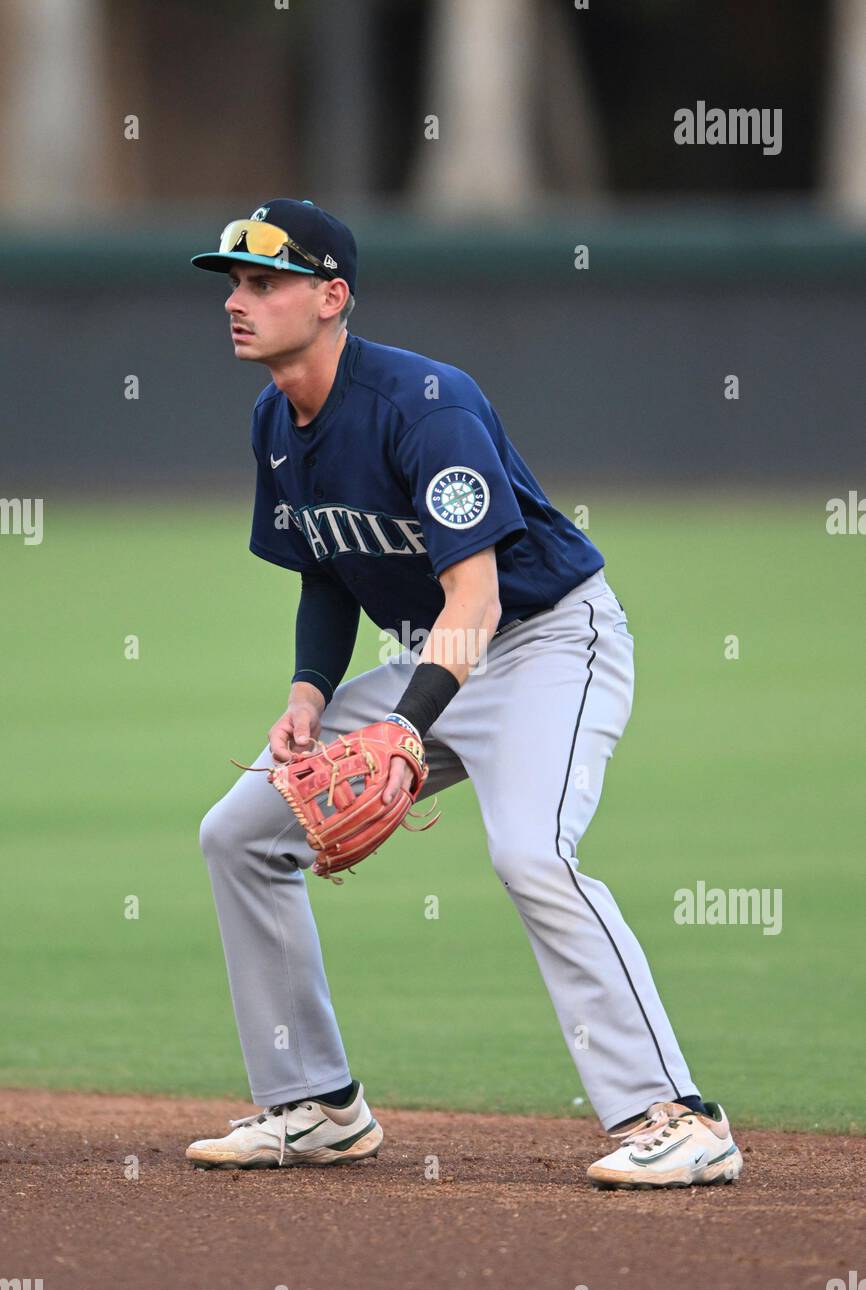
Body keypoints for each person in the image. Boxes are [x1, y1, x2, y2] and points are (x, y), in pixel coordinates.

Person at [186, 198, 743, 1189]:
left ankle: (677, 1115)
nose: (238, 300)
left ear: (331, 297)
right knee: (239, 831)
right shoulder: (275, 419)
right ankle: (315, 1104)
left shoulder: (425, 404)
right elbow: (327, 566)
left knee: (529, 850)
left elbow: (476, 596)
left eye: (262, 282)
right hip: (432, 655)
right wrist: (310, 690)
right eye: (232, 281)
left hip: (544, 645)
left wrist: (402, 729)